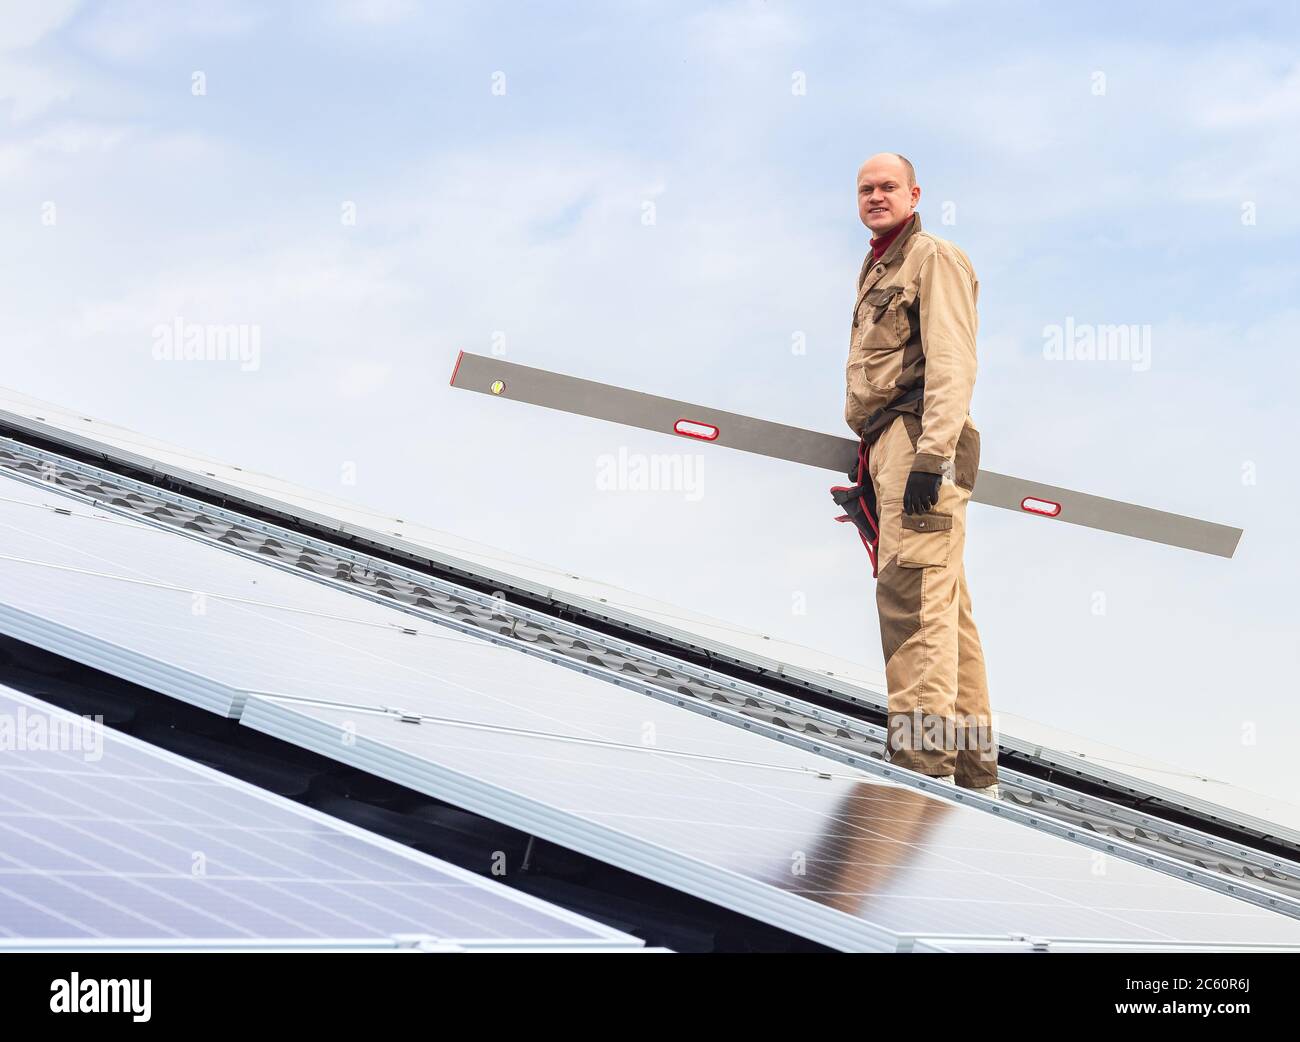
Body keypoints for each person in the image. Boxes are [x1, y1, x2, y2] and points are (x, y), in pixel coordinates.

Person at [841, 152, 999, 797]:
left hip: (916, 442)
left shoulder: (933, 257)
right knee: (945, 605)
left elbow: (953, 360)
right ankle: (969, 769)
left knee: (914, 602)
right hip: (893, 444)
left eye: (888, 188)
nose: (876, 197)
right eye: (866, 189)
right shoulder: (883, 261)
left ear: (914, 194)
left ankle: (921, 769)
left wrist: (930, 459)